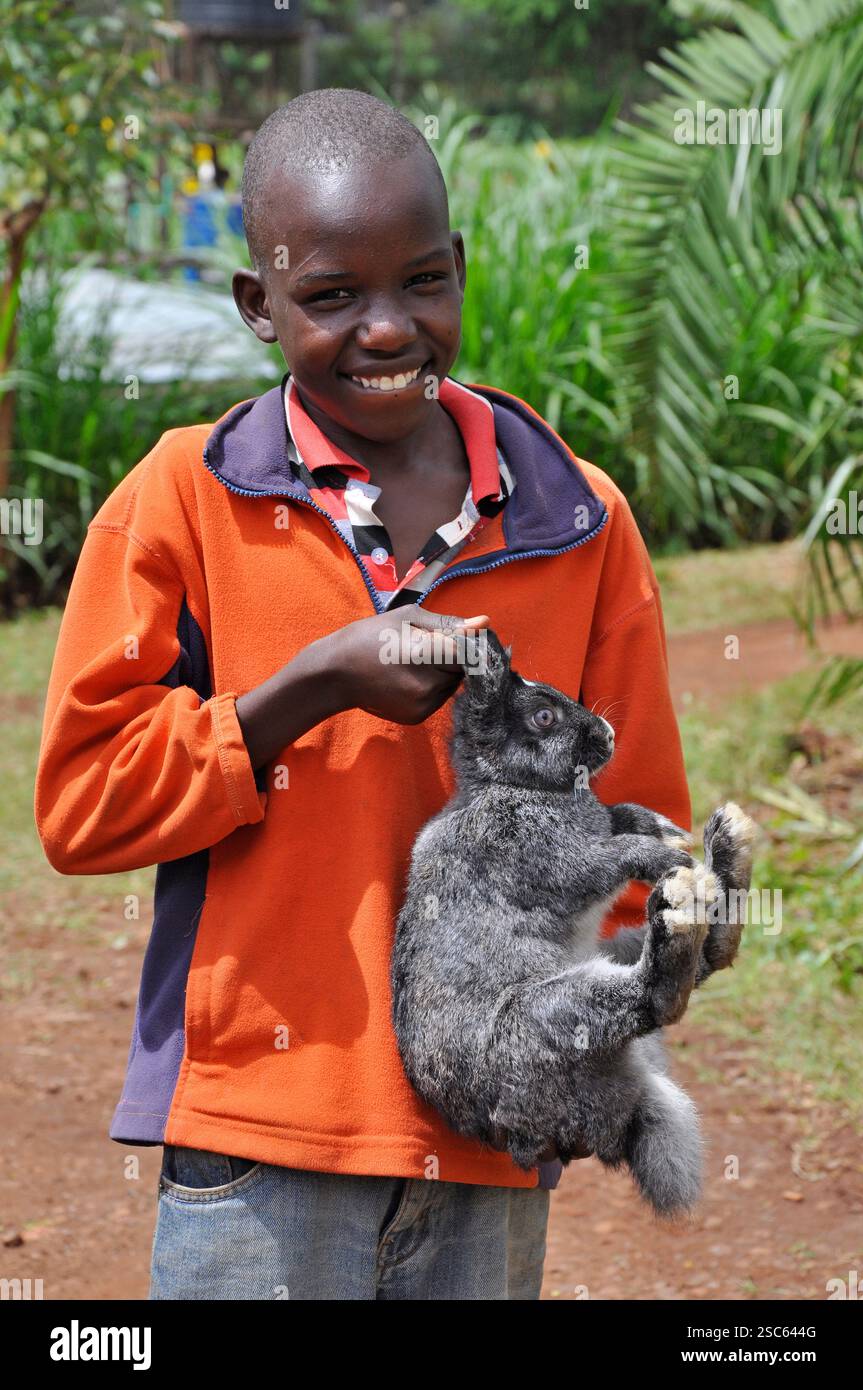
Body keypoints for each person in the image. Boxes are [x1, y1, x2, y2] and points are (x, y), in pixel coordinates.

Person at [34, 89, 691, 1301]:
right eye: (331, 296)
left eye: (422, 282)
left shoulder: (574, 518)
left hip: (487, 1155)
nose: (387, 330)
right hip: (256, 1143)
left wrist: (672, 949)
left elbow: (640, 832)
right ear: (257, 305)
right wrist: (304, 687)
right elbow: (83, 807)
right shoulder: (185, 499)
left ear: (461, 269)